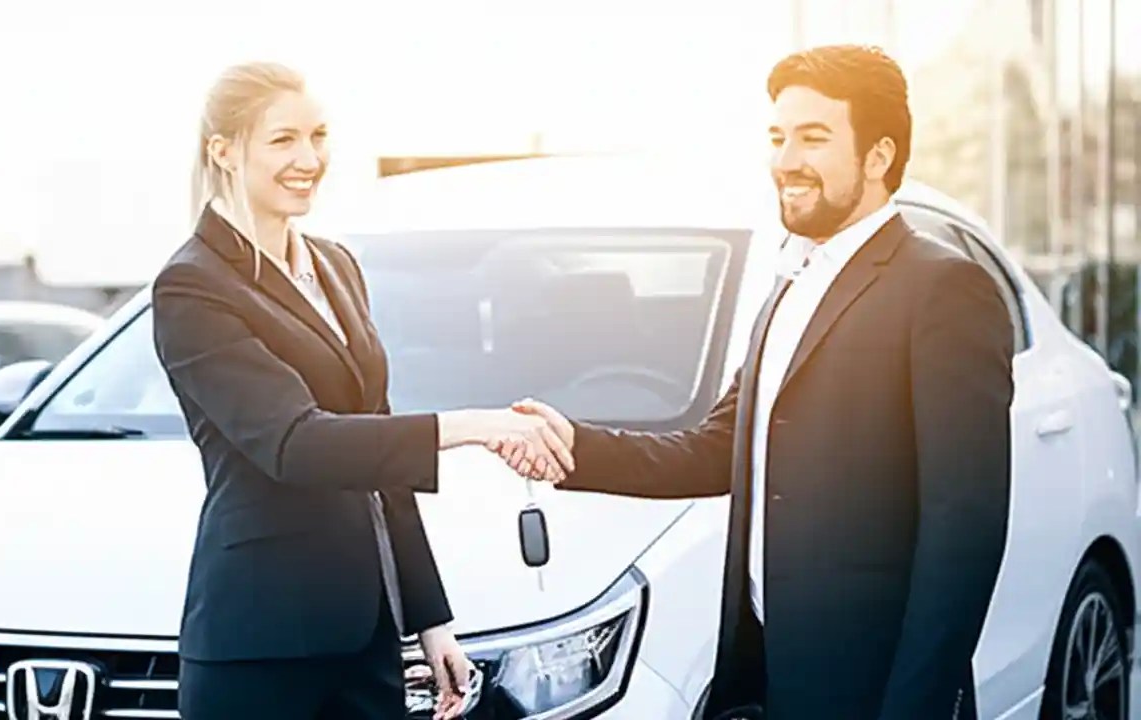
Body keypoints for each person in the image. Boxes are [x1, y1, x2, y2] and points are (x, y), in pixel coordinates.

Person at [495, 45, 1015, 720]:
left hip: (878, 686)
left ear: (879, 156)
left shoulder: (943, 288)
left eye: (813, 137)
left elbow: (964, 530)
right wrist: (576, 446)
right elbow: (719, 450)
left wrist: (916, 705)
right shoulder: (788, 283)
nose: (786, 160)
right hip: (774, 674)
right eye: (777, 137)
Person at [151, 62, 573, 720]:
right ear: (223, 151)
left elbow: (378, 455)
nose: (309, 159)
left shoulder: (336, 265)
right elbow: (296, 443)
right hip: (260, 648)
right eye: (283, 140)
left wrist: (431, 622)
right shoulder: (193, 286)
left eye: (318, 136)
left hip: (365, 636)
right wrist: (475, 426)